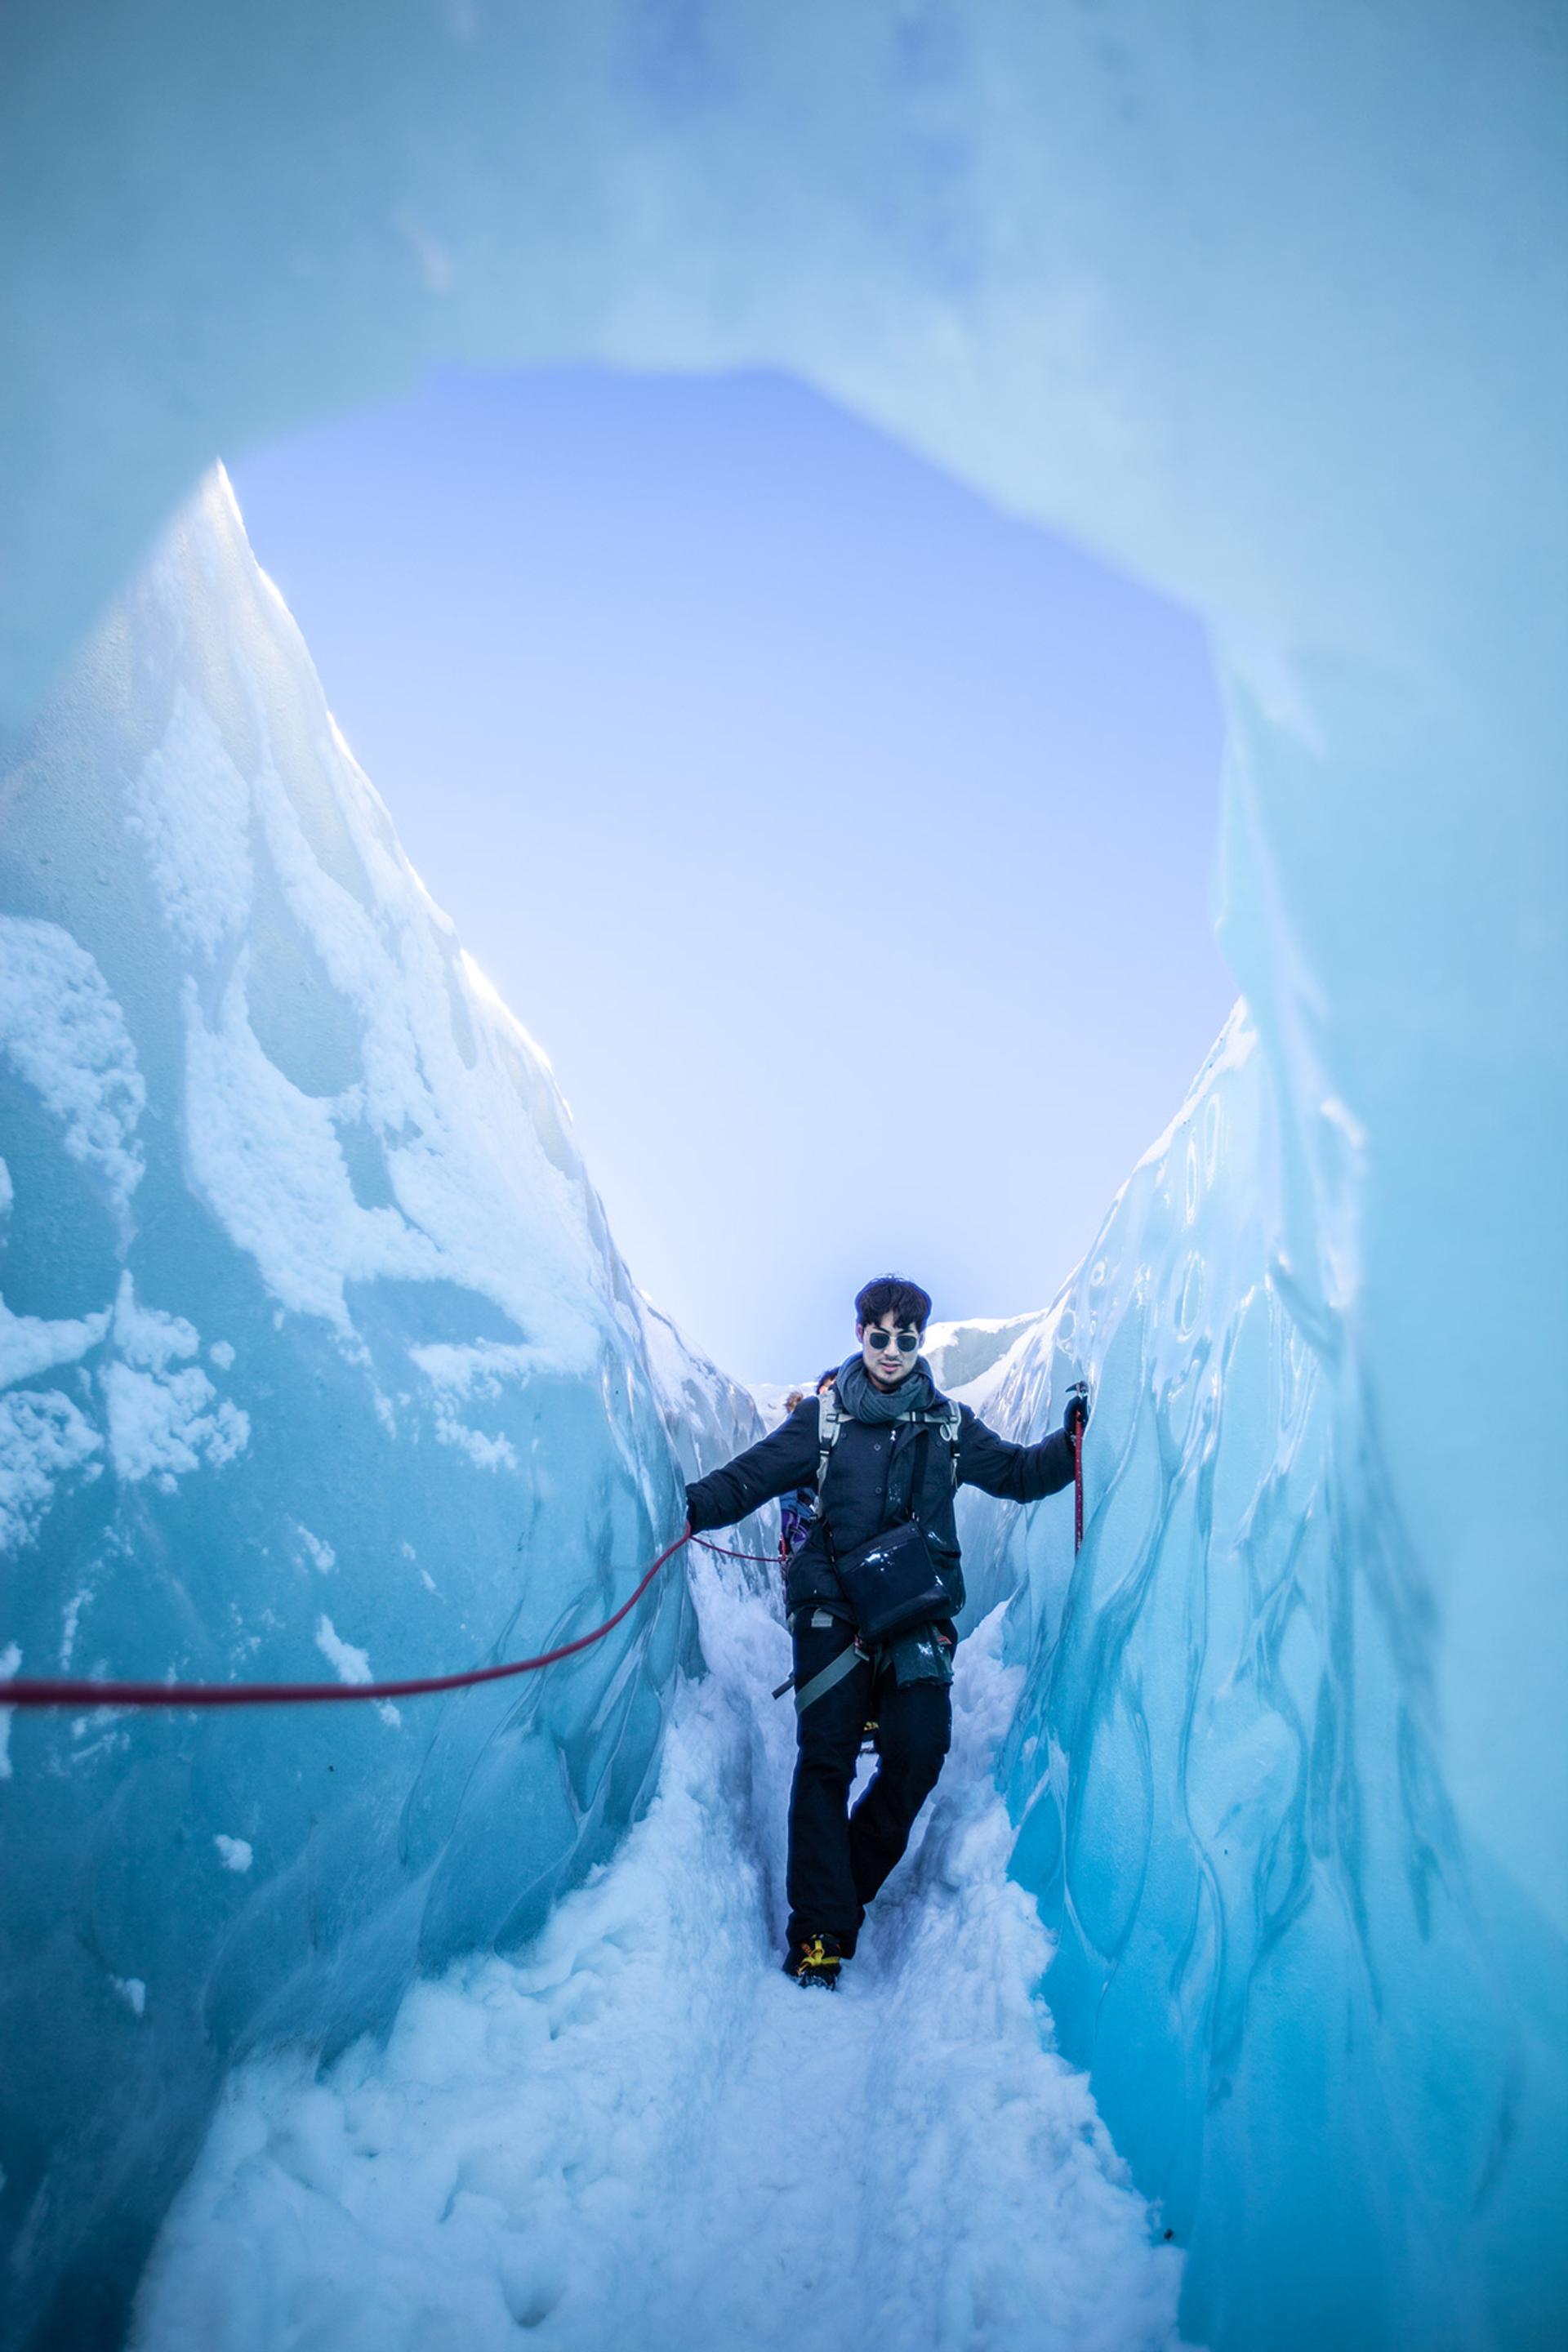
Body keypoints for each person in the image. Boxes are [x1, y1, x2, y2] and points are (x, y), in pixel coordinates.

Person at [684, 1275, 1089, 1989]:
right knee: (827, 1757)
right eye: (881, 1335)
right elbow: (749, 1479)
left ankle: (839, 1882)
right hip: (834, 1608)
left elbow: (1021, 1475)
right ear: (860, 1336)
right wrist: (685, 1508)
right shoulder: (825, 1419)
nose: (894, 1349)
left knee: (921, 1749)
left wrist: (1070, 1444)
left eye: (907, 1337)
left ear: (919, 1341)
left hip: (912, 1613)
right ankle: (819, 1937)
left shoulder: (948, 1426)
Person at [776, 1368, 838, 1563]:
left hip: (809, 1516)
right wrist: (788, 1512)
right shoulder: (807, 1423)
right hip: (796, 1514)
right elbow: (784, 1469)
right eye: (828, 1388)